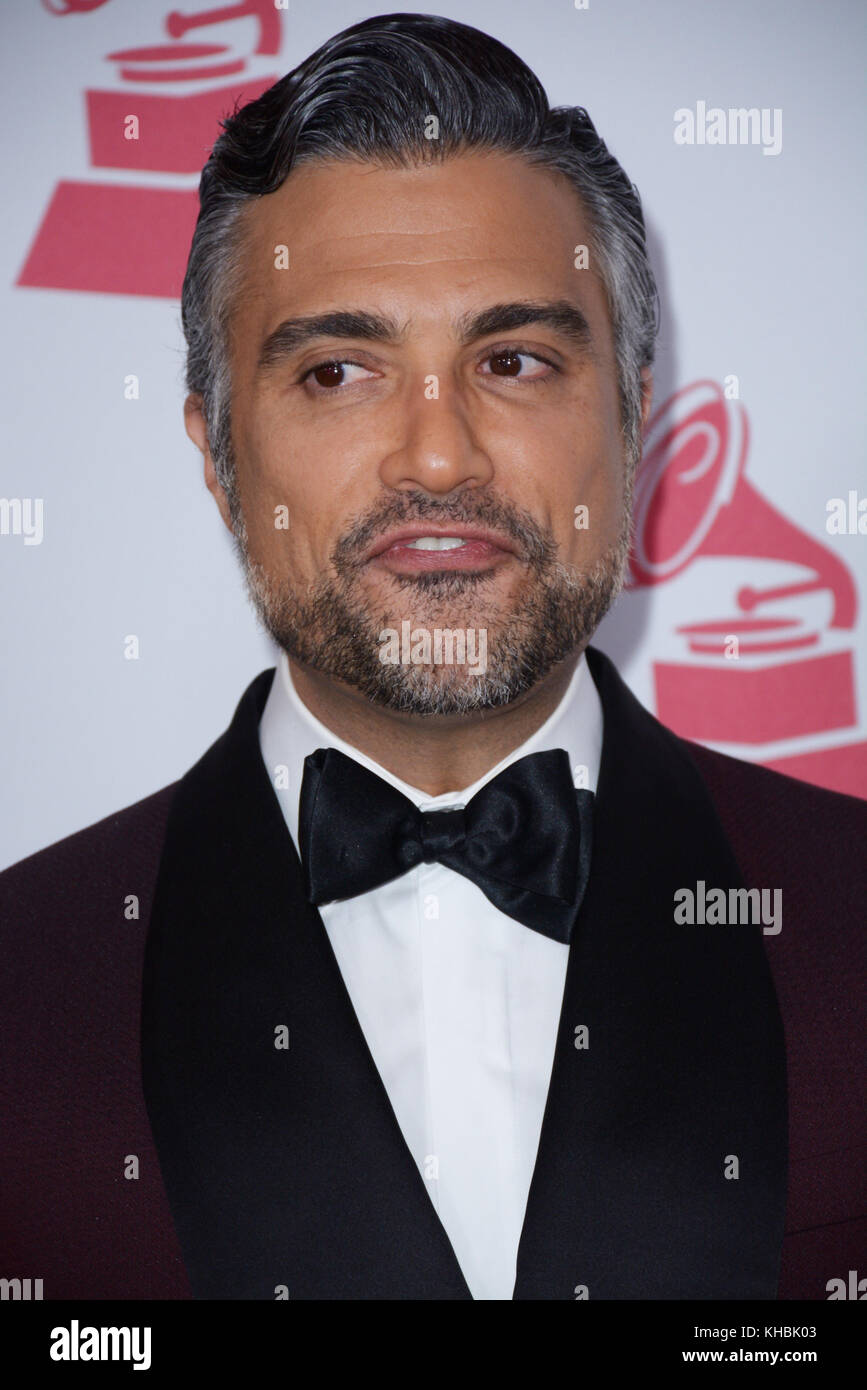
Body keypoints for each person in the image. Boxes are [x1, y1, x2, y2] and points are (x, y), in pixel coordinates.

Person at [1, 13, 863, 1303]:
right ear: (216, 453)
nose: (441, 457)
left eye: (513, 361)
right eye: (339, 372)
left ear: (633, 422)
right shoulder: (24, 981)